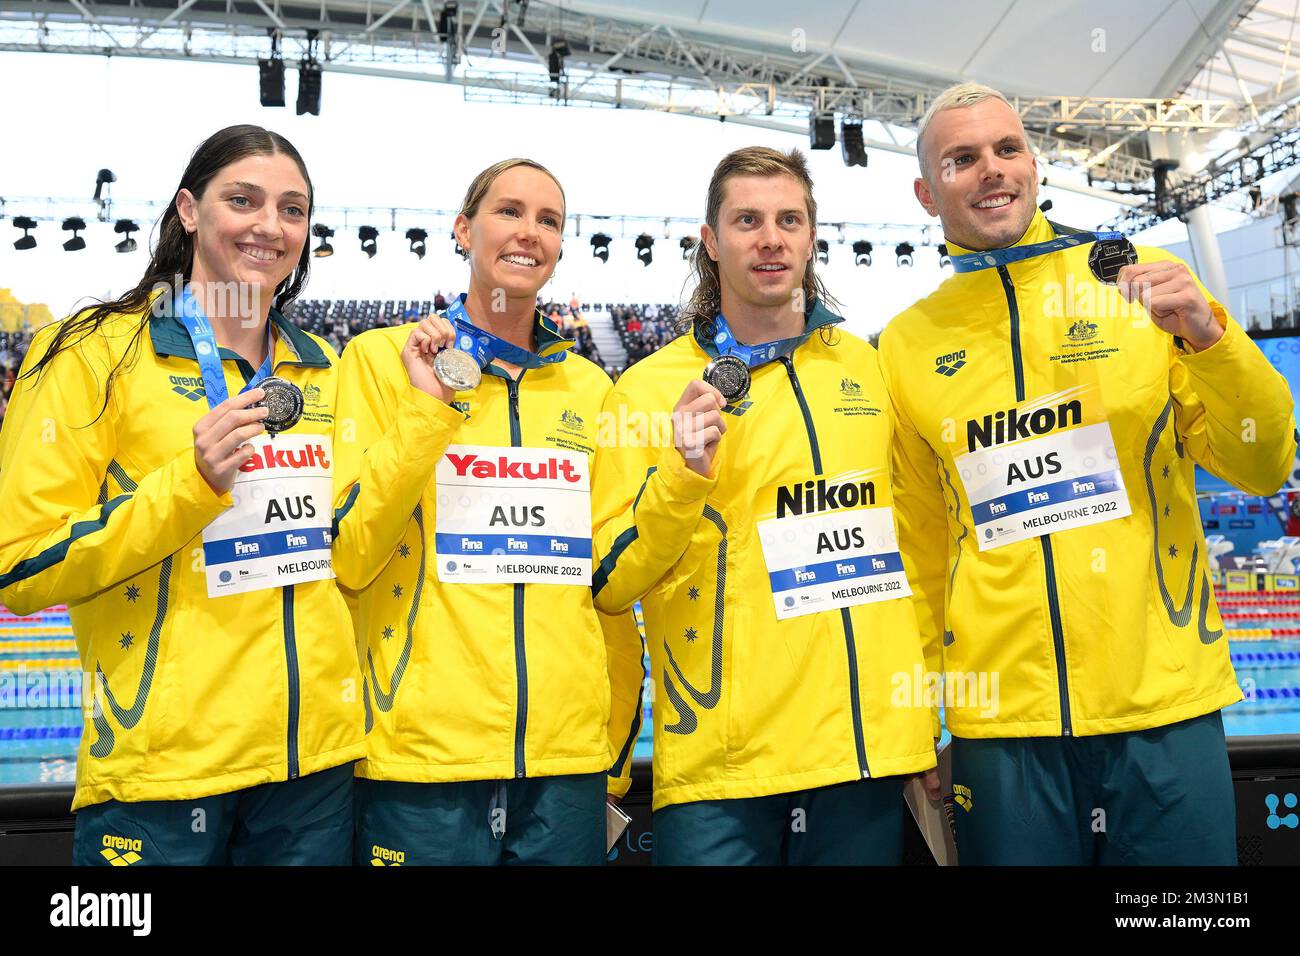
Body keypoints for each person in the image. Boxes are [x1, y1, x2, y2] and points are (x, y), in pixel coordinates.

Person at [879, 83, 1298, 865]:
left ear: (1033, 163)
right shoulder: (907, 343)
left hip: (1163, 703)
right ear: (926, 193)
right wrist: (925, 718)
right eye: (961, 159)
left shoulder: (1146, 285)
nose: (990, 171)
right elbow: (918, 549)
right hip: (1003, 727)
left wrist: (1211, 339)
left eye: (1007, 150)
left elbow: (1262, 461)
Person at [0, 125, 364, 865]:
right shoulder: (92, 354)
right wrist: (189, 487)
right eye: (244, 200)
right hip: (164, 770)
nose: (270, 225)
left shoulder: (330, 372)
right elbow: (19, 563)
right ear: (188, 210)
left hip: (313, 770)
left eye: (293, 209)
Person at [590, 146, 936, 866]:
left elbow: (922, 544)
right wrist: (682, 477)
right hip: (723, 766)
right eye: (747, 220)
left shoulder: (870, 370)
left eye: (789, 220)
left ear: (811, 237)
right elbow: (611, 582)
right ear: (712, 243)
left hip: (863, 756)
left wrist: (925, 706)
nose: (771, 238)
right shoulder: (646, 394)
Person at [333, 158, 643, 866]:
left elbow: (612, 590)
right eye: (509, 211)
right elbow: (351, 553)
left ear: (561, 246)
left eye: (549, 220)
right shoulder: (381, 361)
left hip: (564, 762)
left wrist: (609, 752)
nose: (529, 232)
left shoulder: (594, 391)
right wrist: (425, 412)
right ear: (464, 229)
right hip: (423, 760)